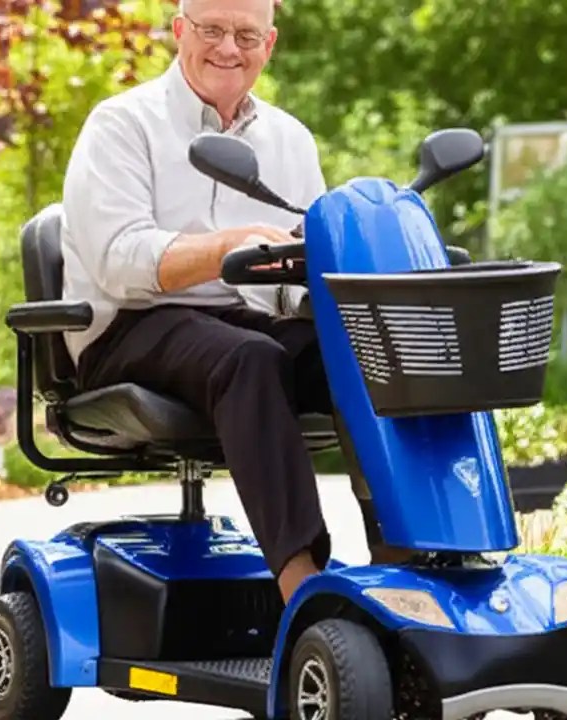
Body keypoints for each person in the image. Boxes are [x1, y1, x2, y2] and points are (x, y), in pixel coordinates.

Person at [59, 0, 391, 603]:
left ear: (270, 44)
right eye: (211, 30)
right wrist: (228, 248)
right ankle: (303, 588)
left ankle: (401, 558)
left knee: (361, 348)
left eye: (246, 34)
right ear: (180, 31)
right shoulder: (122, 125)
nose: (228, 49)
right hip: (129, 325)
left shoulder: (289, 139)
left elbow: (293, 278)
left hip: (241, 323)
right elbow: (119, 262)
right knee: (249, 360)